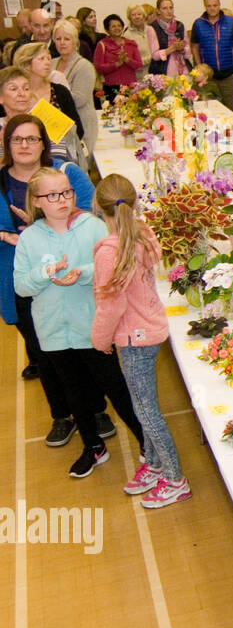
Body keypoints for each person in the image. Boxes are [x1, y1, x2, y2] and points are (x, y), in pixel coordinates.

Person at [14, 167, 146, 478]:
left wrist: (82, 273)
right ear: (36, 201)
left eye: (67, 192)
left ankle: (145, 440)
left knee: (114, 386)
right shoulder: (30, 238)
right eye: (52, 195)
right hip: (52, 330)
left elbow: (112, 265)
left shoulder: (92, 227)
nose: (62, 200)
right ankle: (93, 446)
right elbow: (21, 286)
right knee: (73, 391)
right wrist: (45, 274)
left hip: (92, 329)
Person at [0, 114, 110, 445]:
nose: (25, 146)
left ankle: (96, 409)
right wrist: (10, 237)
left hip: (75, 273)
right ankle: (62, 415)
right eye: (17, 139)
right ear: (7, 145)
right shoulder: (1, 181)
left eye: (32, 139)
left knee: (86, 346)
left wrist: (50, 219)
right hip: (20, 278)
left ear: (44, 143)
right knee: (44, 353)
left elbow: (93, 208)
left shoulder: (65, 172)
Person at [90, 174, 190, 507]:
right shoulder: (142, 234)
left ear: (97, 208)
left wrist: (99, 339)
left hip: (133, 338)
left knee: (146, 410)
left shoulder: (109, 252)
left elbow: (111, 303)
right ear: (134, 204)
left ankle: (175, 478)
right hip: (149, 328)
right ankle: (155, 462)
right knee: (142, 403)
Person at [13, 43, 83, 142]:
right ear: (26, 64)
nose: (47, 63)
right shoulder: (15, 94)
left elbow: (78, 130)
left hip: (58, 151)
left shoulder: (60, 91)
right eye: (41, 59)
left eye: (49, 58)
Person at [52, 20, 97, 159]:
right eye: (58, 39)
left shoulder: (85, 66)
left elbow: (79, 100)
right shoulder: (52, 63)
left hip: (81, 123)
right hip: (57, 126)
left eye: (67, 38)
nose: (62, 43)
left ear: (75, 41)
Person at [189, 0, 233, 111]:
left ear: (219, 5)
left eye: (215, 5)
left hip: (229, 73)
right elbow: (194, 47)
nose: (212, 8)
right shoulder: (198, 24)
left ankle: (232, 130)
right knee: (209, 109)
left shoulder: (231, 21)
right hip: (208, 76)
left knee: (231, 108)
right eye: (209, 6)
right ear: (205, 6)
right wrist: (199, 68)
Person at [146, 0, 190, 77]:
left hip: (182, 69)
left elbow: (188, 51)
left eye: (171, 8)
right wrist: (173, 48)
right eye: (165, 8)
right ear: (158, 11)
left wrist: (182, 48)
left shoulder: (180, 25)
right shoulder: (152, 28)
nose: (169, 11)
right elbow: (155, 55)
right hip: (164, 71)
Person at [123, 5, 151, 83]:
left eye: (139, 14)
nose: (137, 17)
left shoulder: (150, 30)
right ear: (129, 18)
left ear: (144, 16)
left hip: (155, 71)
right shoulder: (127, 35)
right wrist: (150, 59)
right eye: (133, 15)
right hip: (139, 75)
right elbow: (130, 60)